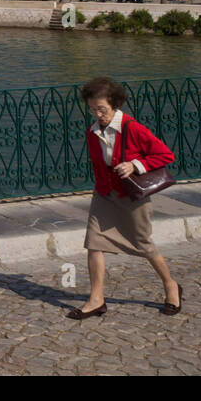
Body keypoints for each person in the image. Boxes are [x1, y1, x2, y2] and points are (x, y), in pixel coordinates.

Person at [67, 76, 182, 319]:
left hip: (130, 195)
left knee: (143, 244)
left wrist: (135, 165)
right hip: (104, 194)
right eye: (92, 109)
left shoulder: (132, 128)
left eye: (102, 109)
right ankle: (97, 299)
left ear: (115, 104)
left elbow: (165, 155)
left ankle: (171, 285)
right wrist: (101, 186)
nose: (97, 114)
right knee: (93, 243)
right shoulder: (93, 131)